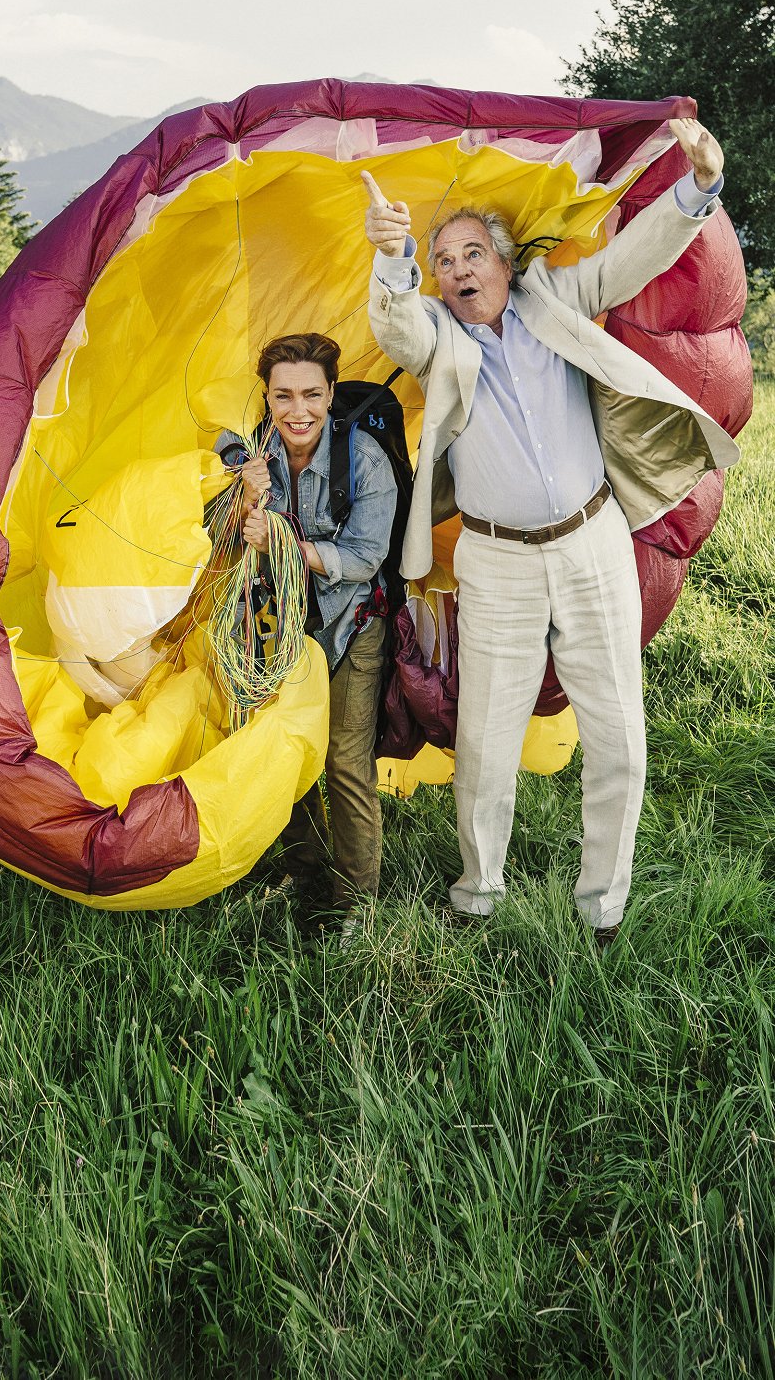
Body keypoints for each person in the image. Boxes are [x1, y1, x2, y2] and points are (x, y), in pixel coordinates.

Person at [361, 117, 739, 948]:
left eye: (473, 254)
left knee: (618, 732)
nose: (460, 270)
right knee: (486, 740)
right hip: (497, 561)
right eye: (445, 259)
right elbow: (397, 325)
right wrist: (393, 260)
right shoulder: (438, 338)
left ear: (505, 262)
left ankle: (603, 902)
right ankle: (478, 894)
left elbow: (632, 258)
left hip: (592, 543)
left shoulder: (558, 297)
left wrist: (699, 185)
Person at [217, 333, 397, 923]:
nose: (299, 411)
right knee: (284, 755)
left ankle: (356, 910)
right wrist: (243, 502)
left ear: (331, 394)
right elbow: (214, 539)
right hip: (280, 632)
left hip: (351, 629)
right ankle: (309, 877)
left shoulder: (365, 460)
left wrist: (287, 544)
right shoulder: (251, 458)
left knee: (345, 762)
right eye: (284, 396)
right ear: (267, 399)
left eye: (312, 395)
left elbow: (365, 558)